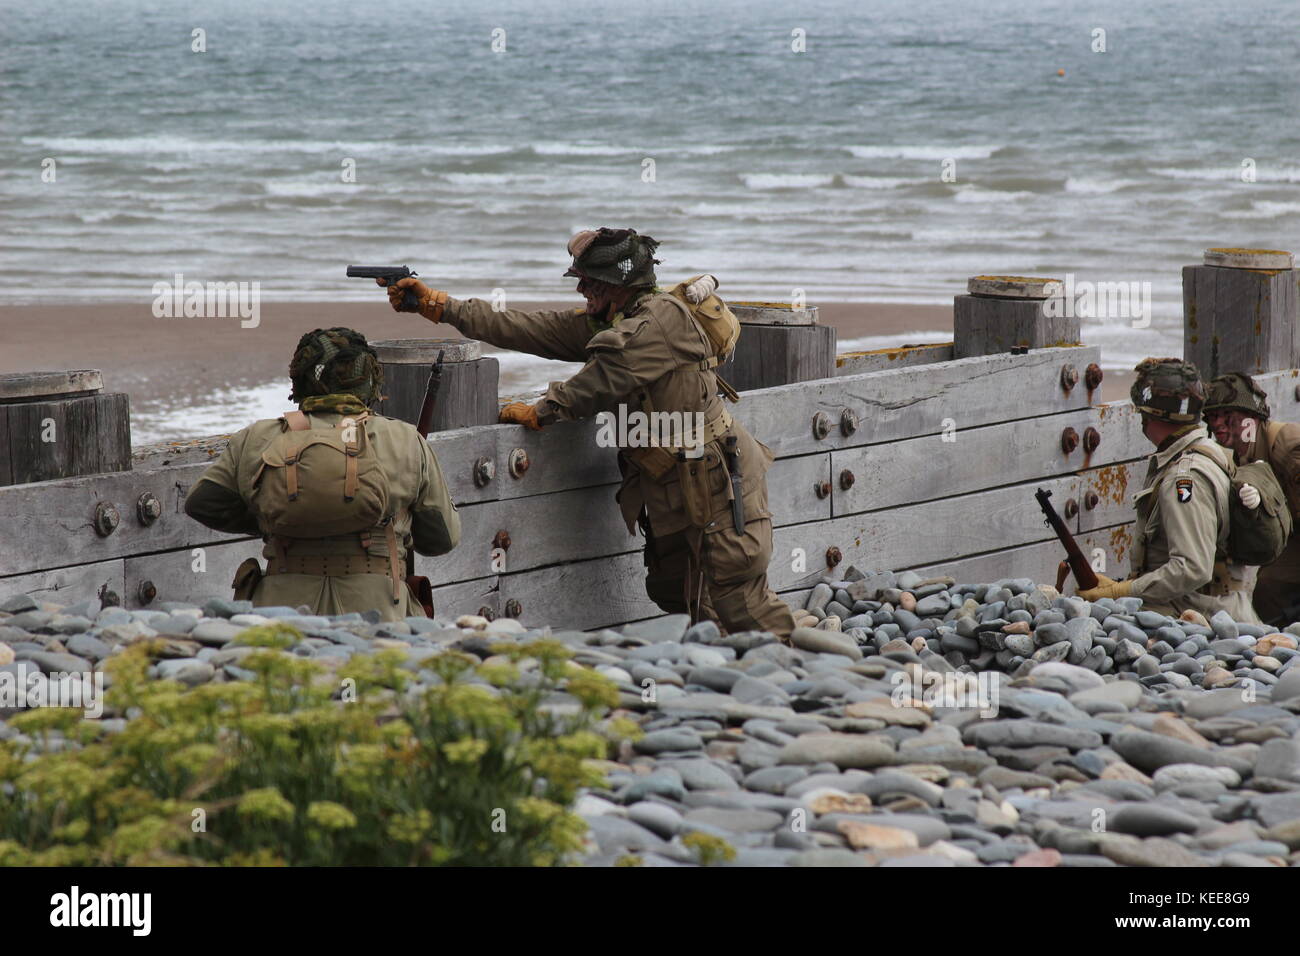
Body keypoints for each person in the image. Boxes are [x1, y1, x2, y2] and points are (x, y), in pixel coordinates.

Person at [376, 227, 795, 639]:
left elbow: (603, 378)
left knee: (738, 592)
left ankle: (790, 669)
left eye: (591, 282)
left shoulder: (656, 324)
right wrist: (440, 306)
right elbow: (529, 328)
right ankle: (726, 674)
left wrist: (545, 409)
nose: (582, 291)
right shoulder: (619, 318)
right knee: (684, 592)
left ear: (620, 284)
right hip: (675, 481)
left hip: (715, 480)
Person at [183, 327, 460, 620]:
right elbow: (442, 539)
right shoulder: (404, 438)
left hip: (279, 609)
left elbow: (202, 503)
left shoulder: (256, 438)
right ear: (369, 380)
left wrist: (276, 516)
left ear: (299, 379)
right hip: (380, 608)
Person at [1077, 358, 1258, 622]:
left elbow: (1191, 569)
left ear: (1153, 415)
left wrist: (1121, 591)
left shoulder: (1183, 479)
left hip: (1197, 617)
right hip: (1216, 609)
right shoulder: (1211, 452)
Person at [1204, 371, 1300, 625]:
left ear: (1253, 417)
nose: (1218, 425)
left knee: (1272, 585)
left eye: (1229, 417)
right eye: (1213, 417)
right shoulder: (1241, 456)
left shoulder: (1288, 447)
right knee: (1270, 589)